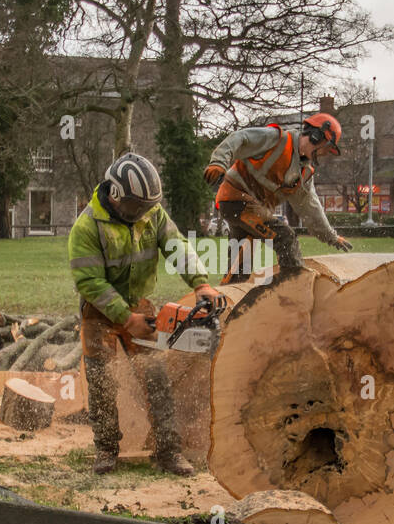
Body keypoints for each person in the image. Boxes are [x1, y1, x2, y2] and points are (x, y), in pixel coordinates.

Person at [68, 153, 220, 476]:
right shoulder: (87, 227)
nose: (142, 212)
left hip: (139, 303)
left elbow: (177, 246)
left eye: (147, 206)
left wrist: (200, 283)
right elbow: (89, 282)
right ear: (116, 195)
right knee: (101, 381)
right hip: (99, 310)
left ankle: (168, 451)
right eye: (136, 206)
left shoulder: (152, 214)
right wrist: (125, 319)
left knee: (157, 377)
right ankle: (106, 449)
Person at [203, 112, 352, 282]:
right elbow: (240, 137)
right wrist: (219, 162)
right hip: (236, 199)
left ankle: (230, 294)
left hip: (248, 208)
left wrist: (331, 236)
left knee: (240, 267)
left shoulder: (303, 173)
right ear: (315, 136)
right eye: (325, 148)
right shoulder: (277, 139)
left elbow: (311, 208)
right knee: (285, 237)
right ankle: (293, 284)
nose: (325, 154)